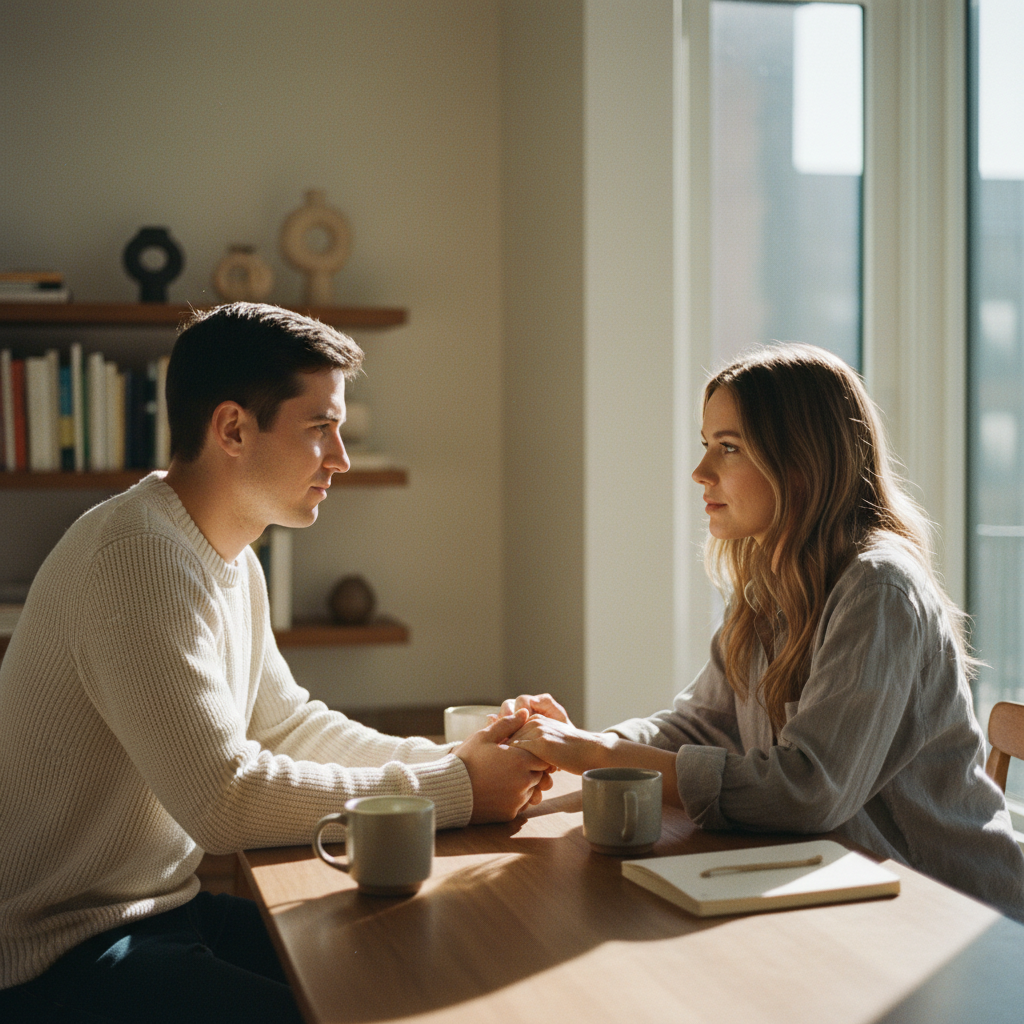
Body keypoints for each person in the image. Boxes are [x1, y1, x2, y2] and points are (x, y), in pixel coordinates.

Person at [0, 302, 551, 1022]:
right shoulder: (135, 558)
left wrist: (459, 758)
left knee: (404, 967)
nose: (341, 457)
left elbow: (286, 726)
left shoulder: (230, 557)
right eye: (320, 427)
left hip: (164, 912)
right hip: (57, 956)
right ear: (232, 428)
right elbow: (223, 799)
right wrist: (457, 786)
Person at [503, 342, 1024, 922]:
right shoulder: (768, 584)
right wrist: (572, 746)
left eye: (729, 448)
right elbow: (703, 724)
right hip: (844, 895)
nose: (700, 472)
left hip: (956, 921)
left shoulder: (879, 590)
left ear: (801, 463)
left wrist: (599, 752)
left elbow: (808, 790)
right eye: (707, 445)